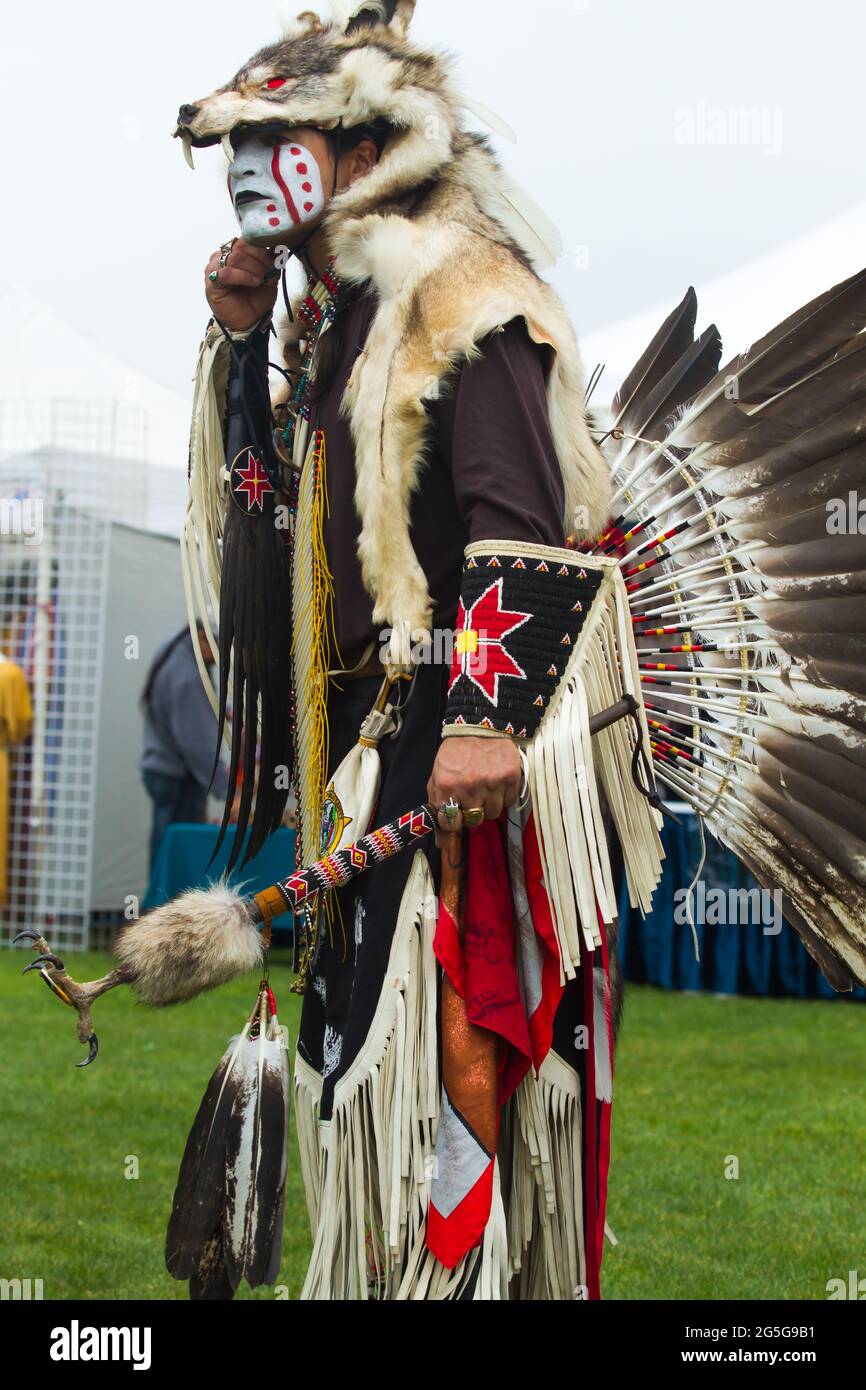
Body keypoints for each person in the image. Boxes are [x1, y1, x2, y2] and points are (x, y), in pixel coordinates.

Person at [177, 0, 662, 1300]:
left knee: (449, 1095)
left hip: (461, 769)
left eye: (290, 138)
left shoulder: (461, 286)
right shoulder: (339, 324)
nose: (261, 173)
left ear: (363, 143)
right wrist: (238, 346)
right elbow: (281, 550)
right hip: (379, 759)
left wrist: (481, 720)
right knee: (364, 1085)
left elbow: (516, 511)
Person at [139, 621, 229, 874]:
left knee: (164, 846)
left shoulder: (173, 649)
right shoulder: (188, 676)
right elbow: (196, 744)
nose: (220, 656)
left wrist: (223, 714)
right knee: (178, 857)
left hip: (161, 770)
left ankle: (157, 905)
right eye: (218, 647)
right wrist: (226, 790)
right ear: (202, 638)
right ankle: (168, 909)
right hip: (179, 780)